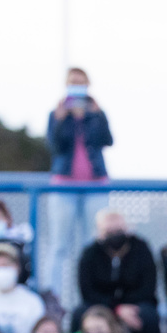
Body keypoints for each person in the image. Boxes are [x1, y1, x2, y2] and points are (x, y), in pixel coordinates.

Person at [76, 209, 165, 333]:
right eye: (109, 232)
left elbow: (148, 287)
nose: (114, 236)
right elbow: (87, 291)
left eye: (118, 231)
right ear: (99, 233)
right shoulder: (90, 254)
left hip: (135, 306)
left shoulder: (141, 249)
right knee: (79, 315)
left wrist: (126, 308)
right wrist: (116, 309)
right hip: (102, 306)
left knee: (149, 318)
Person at [44, 67, 112, 297]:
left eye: (81, 81)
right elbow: (54, 146)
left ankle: (90, 295)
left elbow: (108, 140)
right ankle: (52, 297)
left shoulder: (96, 112)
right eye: (73, 81)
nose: (77, 86)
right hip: (64, 187)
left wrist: (97, 115)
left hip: (95, 185)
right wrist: (62, 120)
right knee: (59, 245)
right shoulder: (57, 114)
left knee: (91, 244)